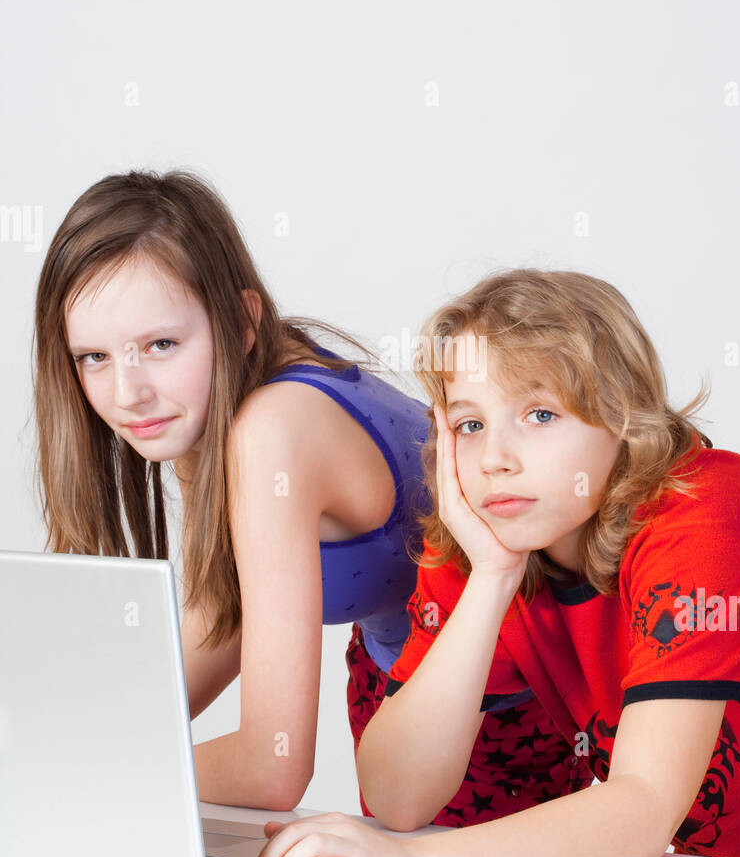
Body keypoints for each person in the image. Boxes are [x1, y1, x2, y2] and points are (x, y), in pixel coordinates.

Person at [250, 267, 740, 857]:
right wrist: (491, 578)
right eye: (469, 425)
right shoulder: (497, 535)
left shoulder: (709, 529)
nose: (495, 458)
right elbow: (397, 798)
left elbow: (645, 808)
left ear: (623, 421)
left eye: (540, 414)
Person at [29, 166, 436, 811]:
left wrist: (79, 782)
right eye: (94, 358)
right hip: (407, 692)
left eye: (161, 344)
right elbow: (225, 616)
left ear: (241, 322)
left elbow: (271, 767)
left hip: (516, 699)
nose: (127, 393)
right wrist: (56, 744)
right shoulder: (214, 409)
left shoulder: (272, 430)